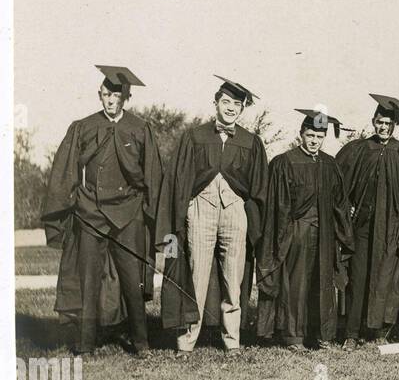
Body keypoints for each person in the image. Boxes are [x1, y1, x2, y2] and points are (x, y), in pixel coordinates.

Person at [41, 65, 163, 357]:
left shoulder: (140, 128)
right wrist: (68, 207)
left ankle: (141, 342)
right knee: (88, 278)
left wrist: (150, 216)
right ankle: (85, 343)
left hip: (128, 213)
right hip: (91, 213)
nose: (111, 100)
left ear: (126, 97)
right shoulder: (83, 127)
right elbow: (65, 172)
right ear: (100, 95)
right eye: (106, 94)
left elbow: (153, 176)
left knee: (132, 281)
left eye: (116, 95)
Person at [157, 75, 268, 355]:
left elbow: (258, 187)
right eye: (226, 102)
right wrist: (183, 212)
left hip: (235, 211)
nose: (231, 108)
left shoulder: (251, 141)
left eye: (237, 104)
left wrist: (253, 222)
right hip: (201, 210)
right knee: (197, 275)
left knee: (234, 278)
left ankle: (232, 342)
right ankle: (186, 342)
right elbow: (179, 179)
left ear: (243, 109)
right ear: (216, 102)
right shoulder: (194, 137)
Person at [255, 109, 354, 349]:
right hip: (297, 233)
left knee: (323, 285)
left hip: (325, 235)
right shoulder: (285, 162)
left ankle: (322, 336)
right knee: (296, 286)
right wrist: (284, 236)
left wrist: (344, 235)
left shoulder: (330, 164)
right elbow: (278, 206)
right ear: (301, 134)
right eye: (310, 135)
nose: (314, 141)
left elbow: (340, 203)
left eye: (319, 137)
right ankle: (294, 337)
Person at [335, 95, 399, 348]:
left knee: (386, 279)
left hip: (391, 228)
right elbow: (337, 182)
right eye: (380, 122)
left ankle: (380, 331)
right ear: (373, 121)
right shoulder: (357, 149)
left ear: (395, 125)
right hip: (361, 227)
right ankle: (351, 332)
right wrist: (346, 206)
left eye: (388, 124)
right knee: (358, 278)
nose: (383, 127)